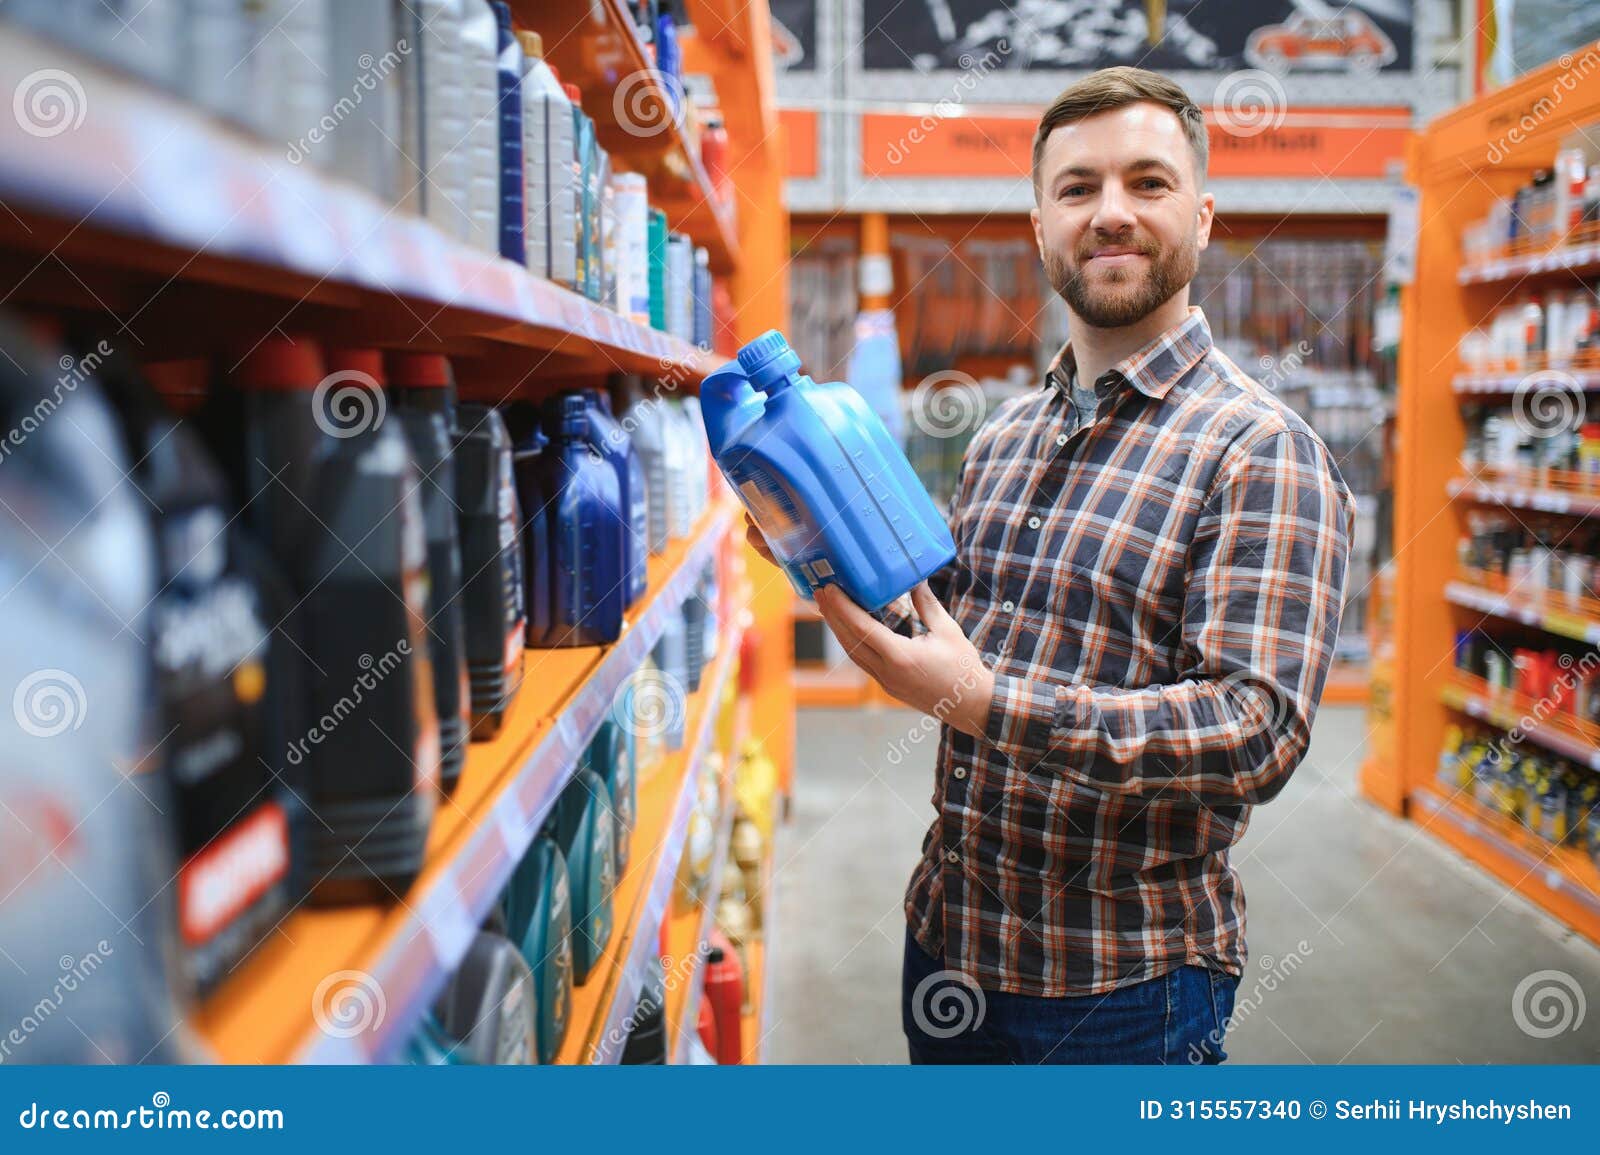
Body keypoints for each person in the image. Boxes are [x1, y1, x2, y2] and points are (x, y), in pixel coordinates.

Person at [745, 66, 1356, 1064]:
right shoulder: (1003, 437)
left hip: (1117, 987)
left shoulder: (1260, 452)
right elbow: (946, 628)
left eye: (1147, 183)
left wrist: (988, 704)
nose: (1110, 212)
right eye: (1077, 188)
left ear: (1202, 218)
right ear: (1040, 228)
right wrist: (813, 539)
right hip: (947, 941)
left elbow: (1254, 733)